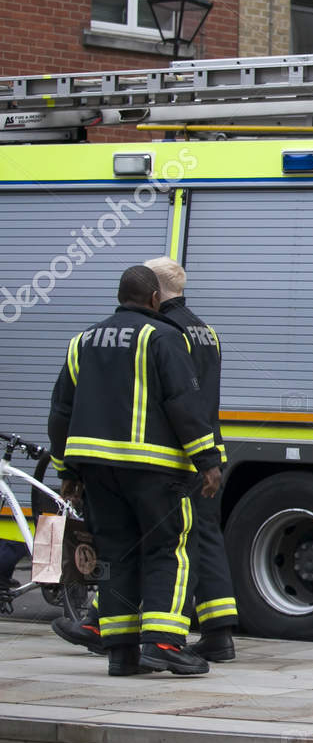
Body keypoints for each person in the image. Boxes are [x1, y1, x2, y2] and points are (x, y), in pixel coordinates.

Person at [47, 266, 222, 677]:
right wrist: (207, 461)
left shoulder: (83, 341)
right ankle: (163, 642)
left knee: (115, 555)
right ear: (155, 299)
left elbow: (61, 412)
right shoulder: (162, 338)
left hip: (96, 471)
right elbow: (184, 403)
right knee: (169, 549)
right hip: (154, 469)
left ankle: (121, 654)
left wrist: (65, 468)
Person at [147, 256, 237, 661]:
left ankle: (153, 632)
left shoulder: (165, 333)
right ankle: (219, 635)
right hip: (210, 449)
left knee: (165, 545)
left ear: (153, 291)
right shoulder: (206, 331)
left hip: (181, 456)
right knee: (205, 539)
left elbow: (178, 400)